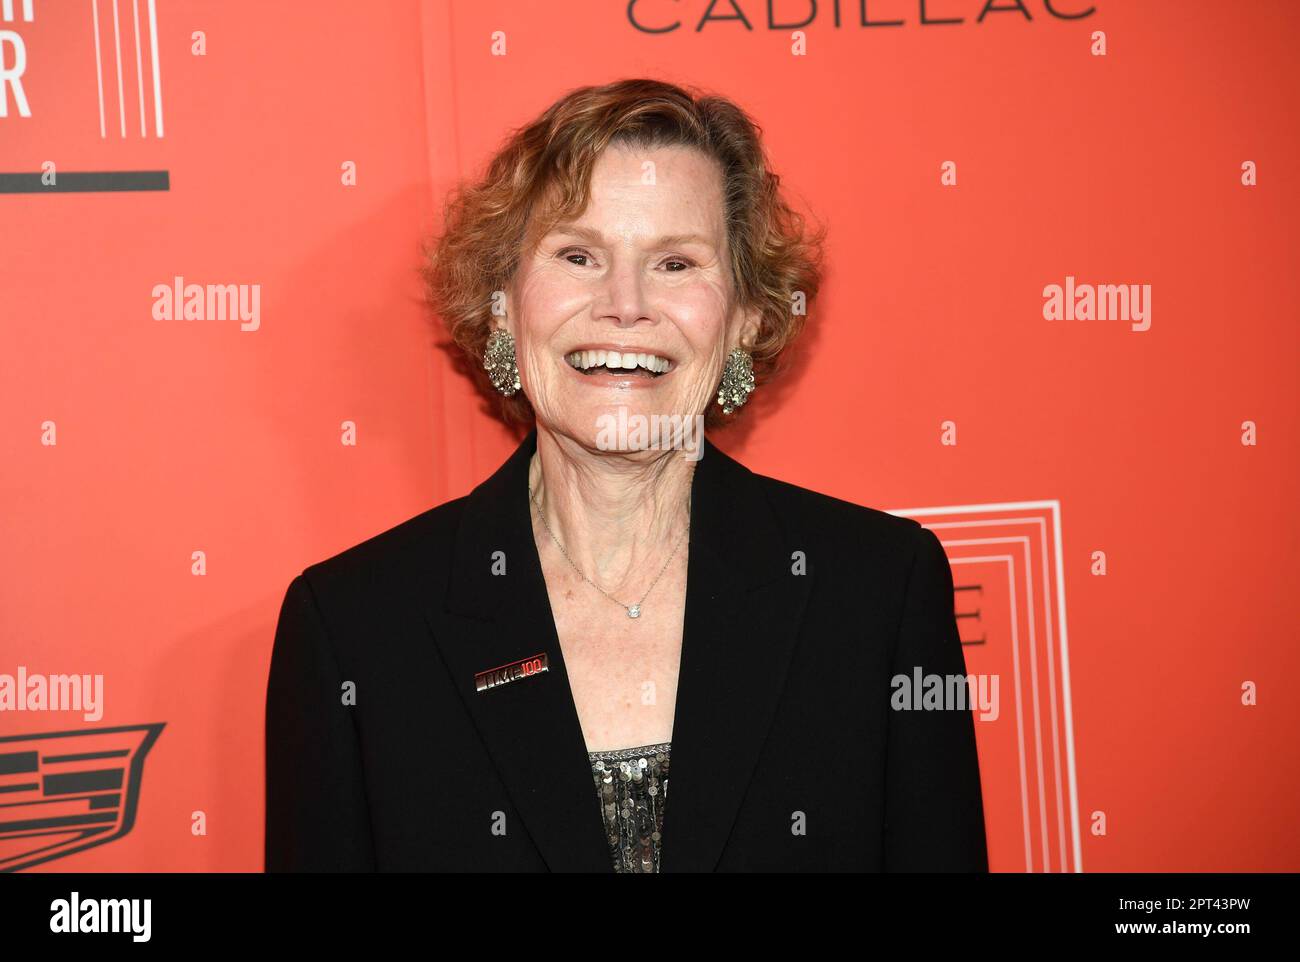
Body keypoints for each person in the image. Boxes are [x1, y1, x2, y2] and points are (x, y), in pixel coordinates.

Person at [265, 78, 988, 872]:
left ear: (746, 315)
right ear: (503, 302)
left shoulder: (877, 592)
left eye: (676, 262)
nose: (626, 305)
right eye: (579, 256)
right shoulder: (356, 629)